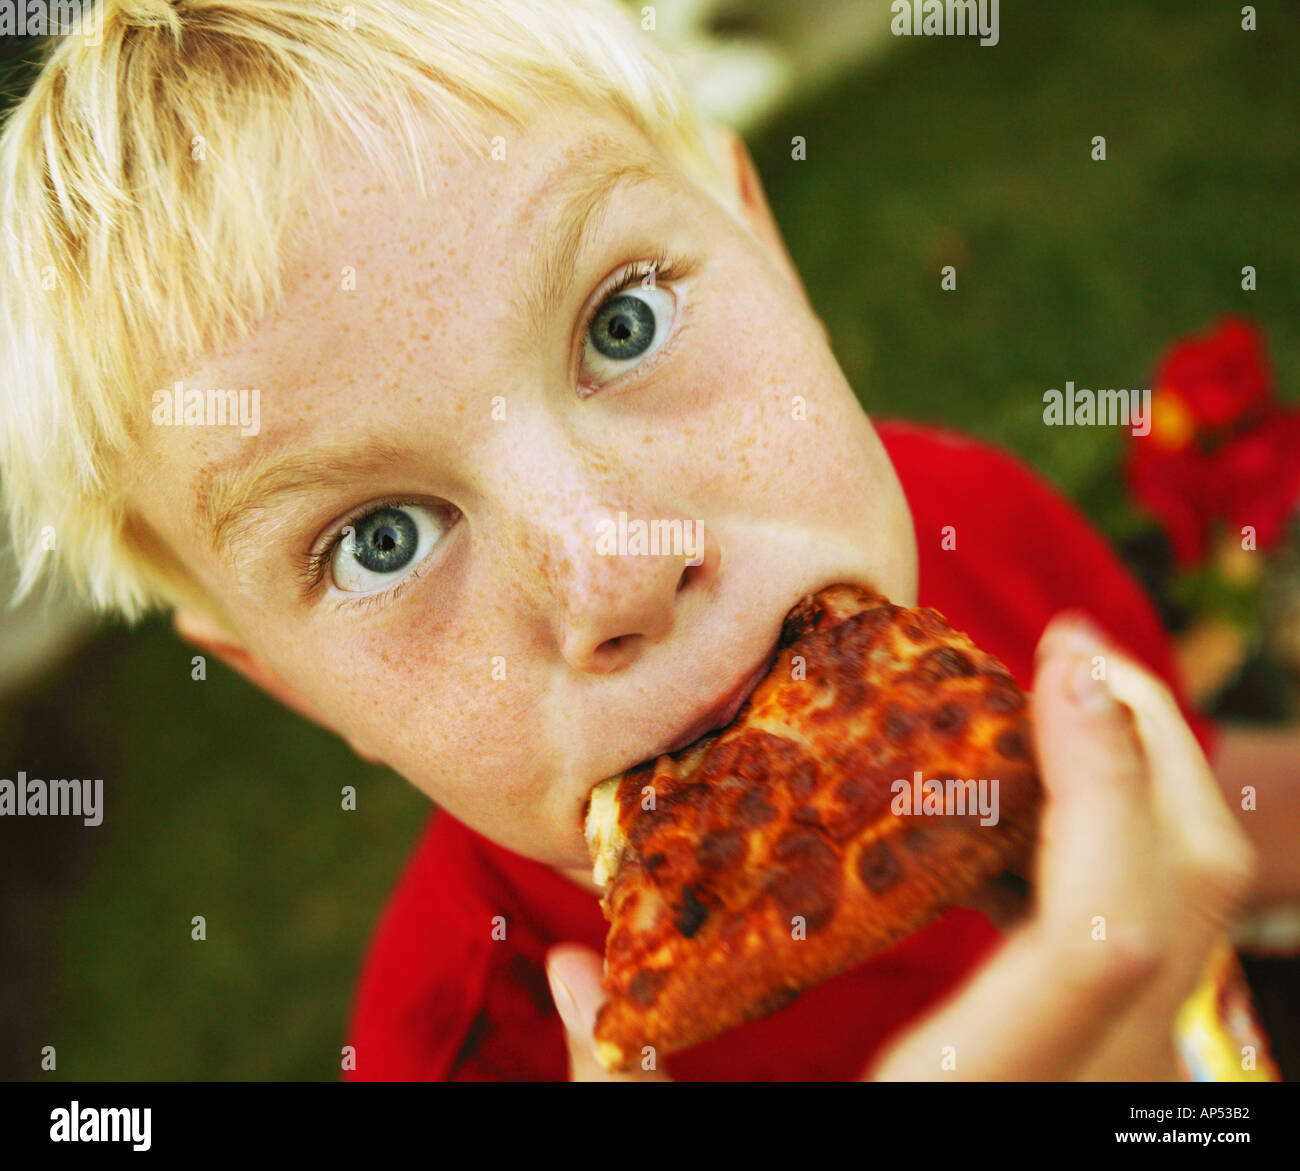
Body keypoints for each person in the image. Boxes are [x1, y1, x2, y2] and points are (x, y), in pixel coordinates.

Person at [0, 0, 1288, 1081]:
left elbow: (1191, 763)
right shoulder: (462, 1049)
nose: (615, 566)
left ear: (767, 254)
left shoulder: (976, 522)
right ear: (288, 683)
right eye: (379, 539)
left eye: (623, 324)